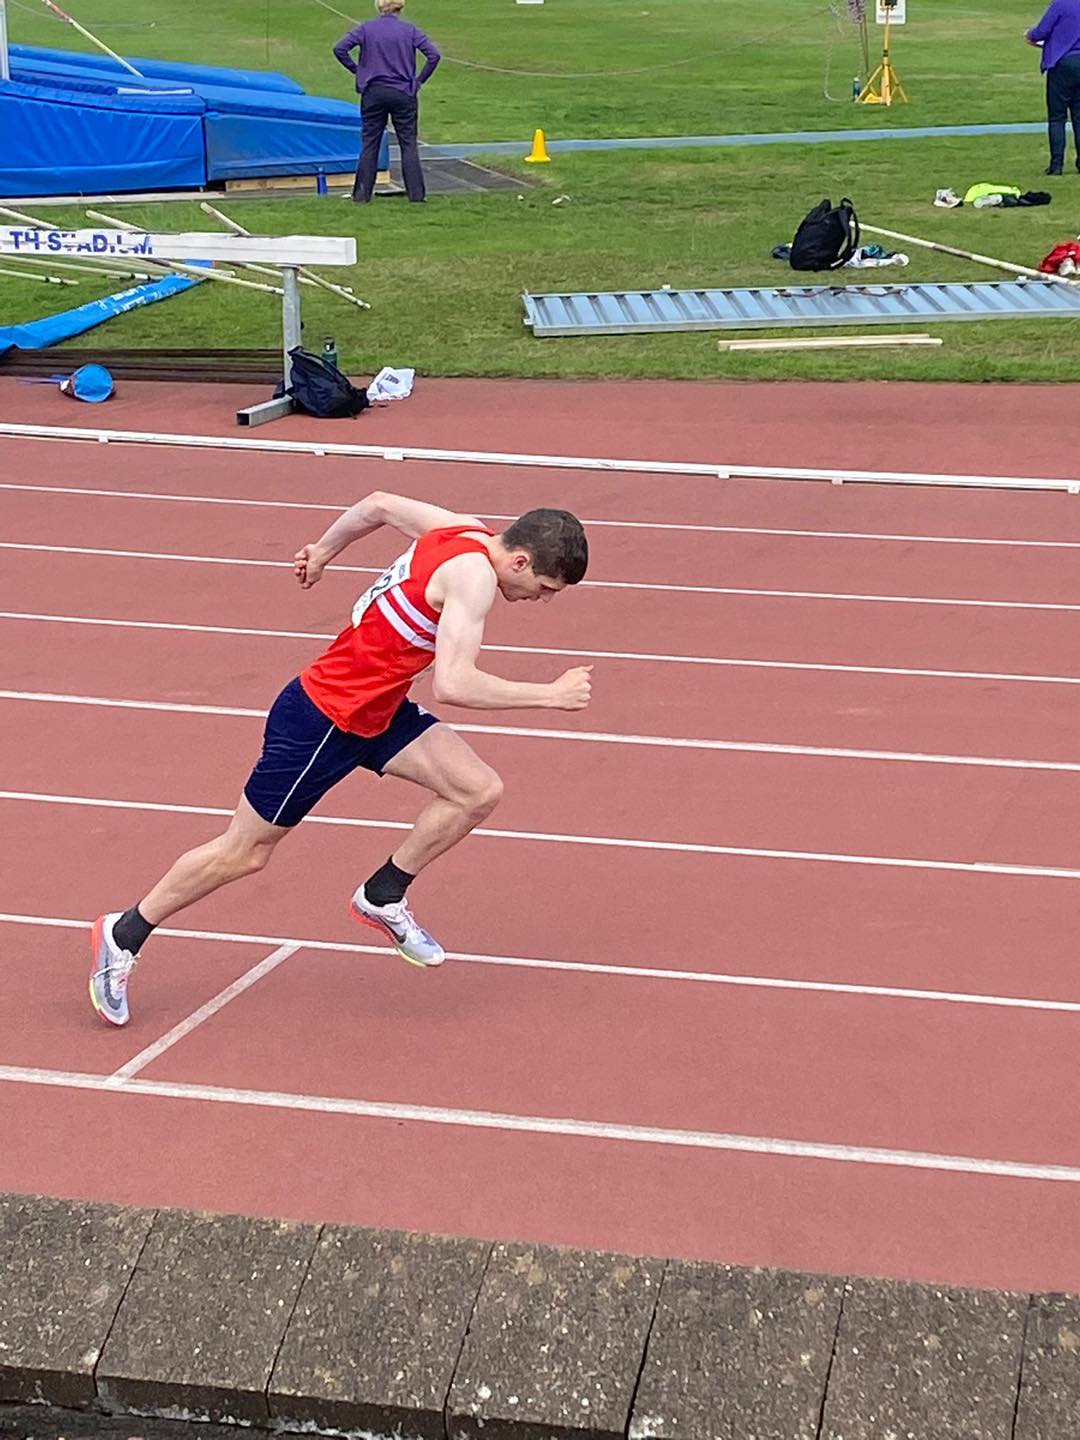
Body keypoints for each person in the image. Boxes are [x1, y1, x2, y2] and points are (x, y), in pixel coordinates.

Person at [89, 496, 591, 1027]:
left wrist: (324, 550)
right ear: (520, 562)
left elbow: (377, 505)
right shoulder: (474, 578)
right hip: (322, 720)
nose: (541, 601)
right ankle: (121, 935)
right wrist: (549, 696)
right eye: (545, 589)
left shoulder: (463, 529)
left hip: (378, 711)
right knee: (244, 853)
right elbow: (454, 683)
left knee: (476, 789)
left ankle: (383, 895)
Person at [334, 0, 440, 204]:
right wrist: (418, 81)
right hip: (403, 91)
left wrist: (358, 70)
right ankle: (416, 194)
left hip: (374, 90)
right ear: (401, 7)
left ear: (378, 6)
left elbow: (340, 48)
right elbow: (433, 55)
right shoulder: (409, 30)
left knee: (370, 142)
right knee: (408, 143)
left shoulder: (366, 28)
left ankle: (362, 194)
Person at [1026, 0, 1080, 174]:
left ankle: (1056, 165)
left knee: (1057, 117)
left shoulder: (1061, 4)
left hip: (1063, 62)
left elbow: (1041, 31)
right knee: (1079, 117)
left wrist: (1030, 34)